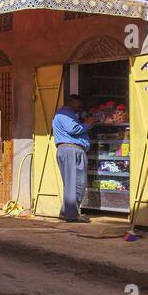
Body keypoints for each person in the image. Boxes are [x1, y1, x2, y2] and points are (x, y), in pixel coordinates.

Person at [52, 94, 92, 223]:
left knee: (71, 183)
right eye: (78, 105)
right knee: (77, 183)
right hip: (71, 151)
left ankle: (66, 212)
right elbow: (73, 129)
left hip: (69, 151)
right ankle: (72, 215)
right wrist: (87, 123)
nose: (79, 108)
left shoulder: (65, 114)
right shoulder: (64, 113)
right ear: (71, 103)